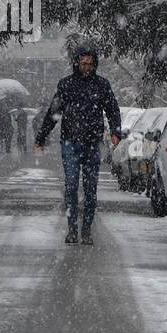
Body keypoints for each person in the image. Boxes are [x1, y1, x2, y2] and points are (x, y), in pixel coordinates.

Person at [34, 46, 121, 245]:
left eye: (91, 64)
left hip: (92, 143)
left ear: (95, 64)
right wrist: (41, 137)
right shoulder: (66, 85)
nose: (87, 68)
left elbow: (112, 108)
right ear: (77, 63)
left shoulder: (101, 85)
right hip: (70, 142)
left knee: (91, 188)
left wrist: (116, 131)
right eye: (84, 64)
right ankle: (72, 228)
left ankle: (87, 230)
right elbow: (53, 113)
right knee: (71, 186)